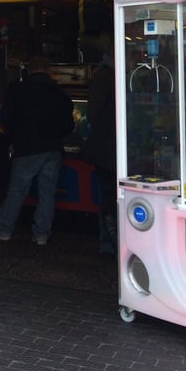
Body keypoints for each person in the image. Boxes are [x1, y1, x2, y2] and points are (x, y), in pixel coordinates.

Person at [0, 56, 75, 246]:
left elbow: (6, 119)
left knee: (17, 191)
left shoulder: (18, 90)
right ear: (48, 71)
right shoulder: (60, 93)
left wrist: (15, 136)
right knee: (47, 193)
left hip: (27, 148)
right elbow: (69, 125)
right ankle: (42, 235)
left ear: (30, 70)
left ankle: (4, 229)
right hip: (53, 149)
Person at [83, 47, 117, 254]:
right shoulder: (109, 78)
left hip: (104, 148)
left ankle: (109, 243)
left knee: (108, 197)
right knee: (110, 198)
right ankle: (110, 243)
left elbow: (92, 113)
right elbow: (93, 113)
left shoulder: (102, 78)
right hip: (108, 148)